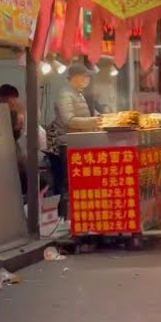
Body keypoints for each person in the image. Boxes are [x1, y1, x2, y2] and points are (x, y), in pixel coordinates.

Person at [45, 63, 95, 219]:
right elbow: (69, 120)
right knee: (68, 183)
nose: (87, 80)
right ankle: (65, 218)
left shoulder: (77, 94)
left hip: (77, 143)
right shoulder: (66, 95)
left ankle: (76, 217)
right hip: (67, 144)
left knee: (76, 182)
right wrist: (94, 122)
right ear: (75, 77)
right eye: (85, 76)